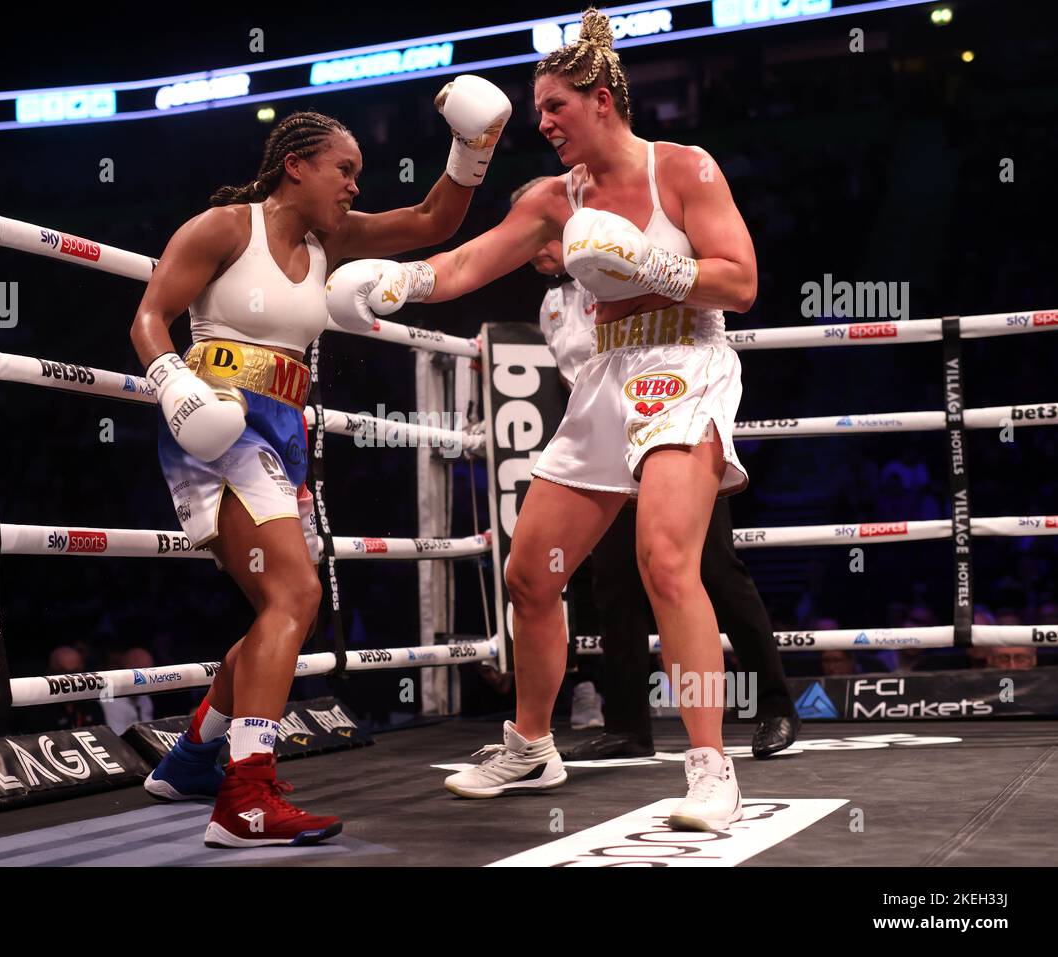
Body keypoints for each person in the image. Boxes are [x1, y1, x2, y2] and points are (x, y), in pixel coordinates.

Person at [328, 9, 756, 830]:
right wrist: (398, 286)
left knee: (666, 560)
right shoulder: (550, 199)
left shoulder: (686, 171)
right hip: (604, 377)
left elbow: (739, 284)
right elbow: (463, 264)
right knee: (530, 575)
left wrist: (652, 264)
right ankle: (530, 742)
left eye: (556, 106)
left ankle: (710, 769)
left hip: (687, 362)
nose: (544, 123)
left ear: (601, 99)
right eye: (539, 110)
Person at [132, 84, 512, 848]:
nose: (354, 184)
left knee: (284, 604)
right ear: (296, 166)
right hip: (220, 418)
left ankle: (193, 755)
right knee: (296, 593)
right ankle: (245, 796)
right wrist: (172, 383)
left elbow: (434, 220)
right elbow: (148, 317)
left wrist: (475, 147)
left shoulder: (328, 245)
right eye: (344, 168)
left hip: (285, 431)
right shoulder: (222, 226)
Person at [513, 176, 799, 761]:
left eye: (545, 233)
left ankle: (773, 706)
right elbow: (581, 375)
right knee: (614, 581)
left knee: (710, 568)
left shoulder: (632, 238)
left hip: (675, 411)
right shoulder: (551, 306)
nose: (537, 246)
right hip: (604, 434)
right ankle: (628, 724)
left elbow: (722, 295)